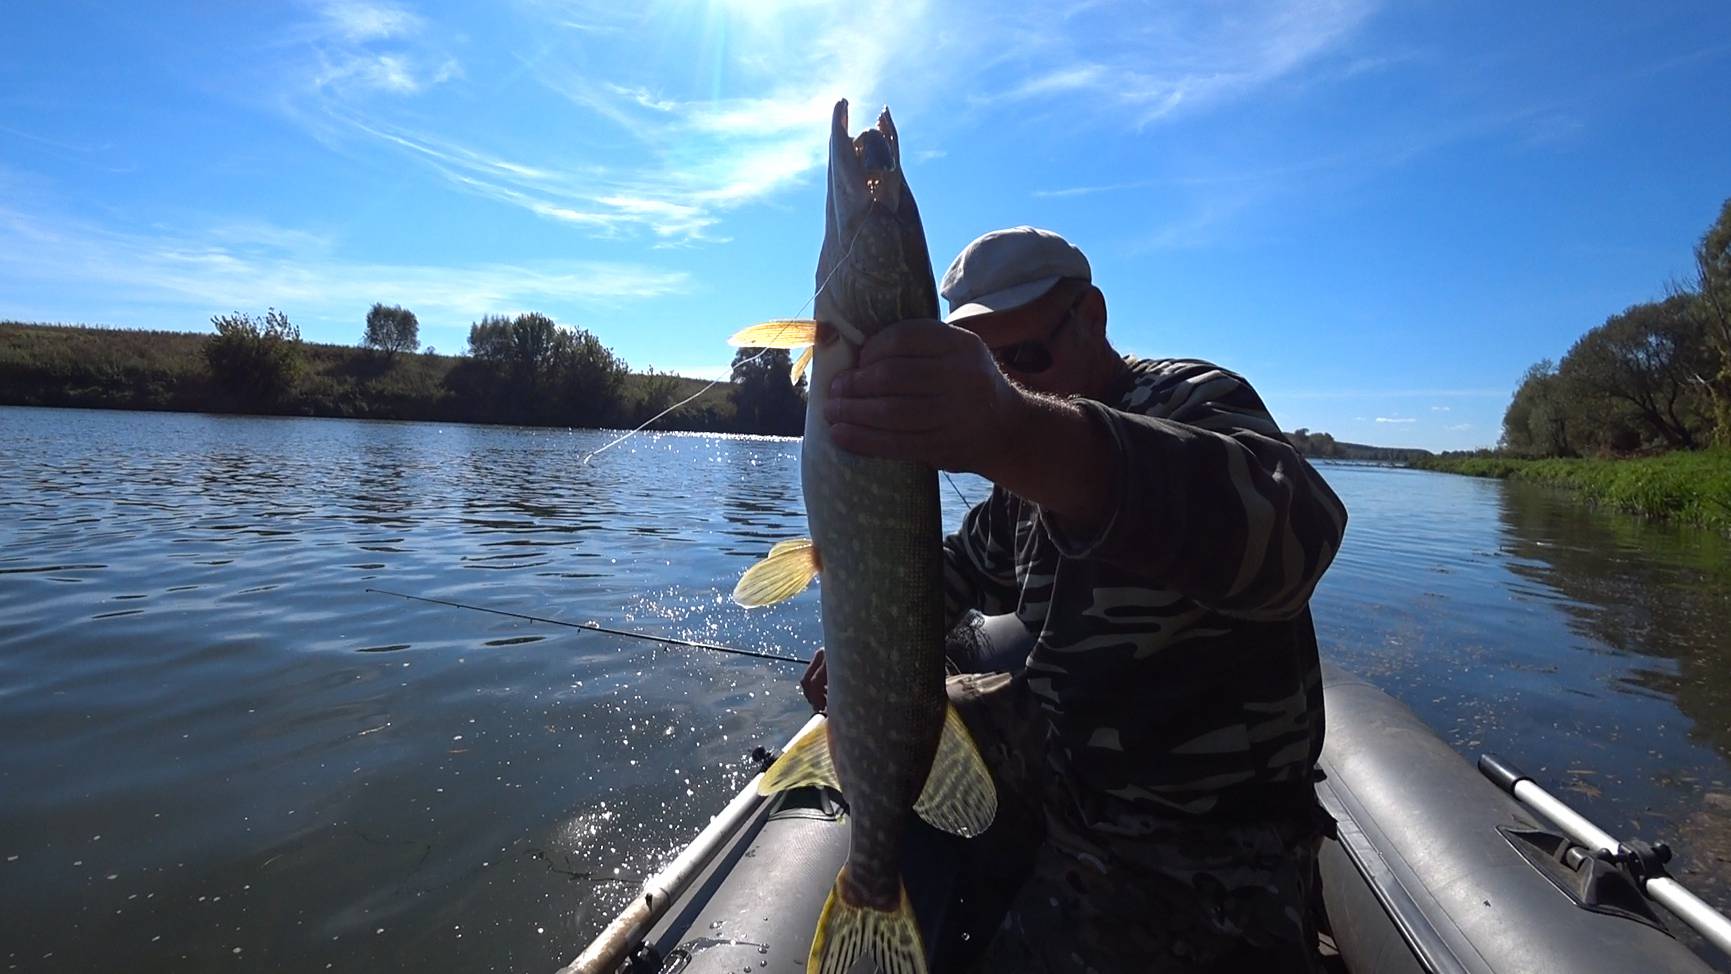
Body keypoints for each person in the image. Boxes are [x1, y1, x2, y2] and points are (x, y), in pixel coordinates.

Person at [800, 226, 1349, 972]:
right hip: (1065, 758)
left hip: (1188, 827)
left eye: (1023, 358)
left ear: (1089, 315)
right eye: (987, 367)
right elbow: (964, 562)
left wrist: (1006, 423)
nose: (1009, 384)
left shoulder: (1188, 398)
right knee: (930, 717)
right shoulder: (1020, 460)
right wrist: (872, 649)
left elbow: (1298, 535)